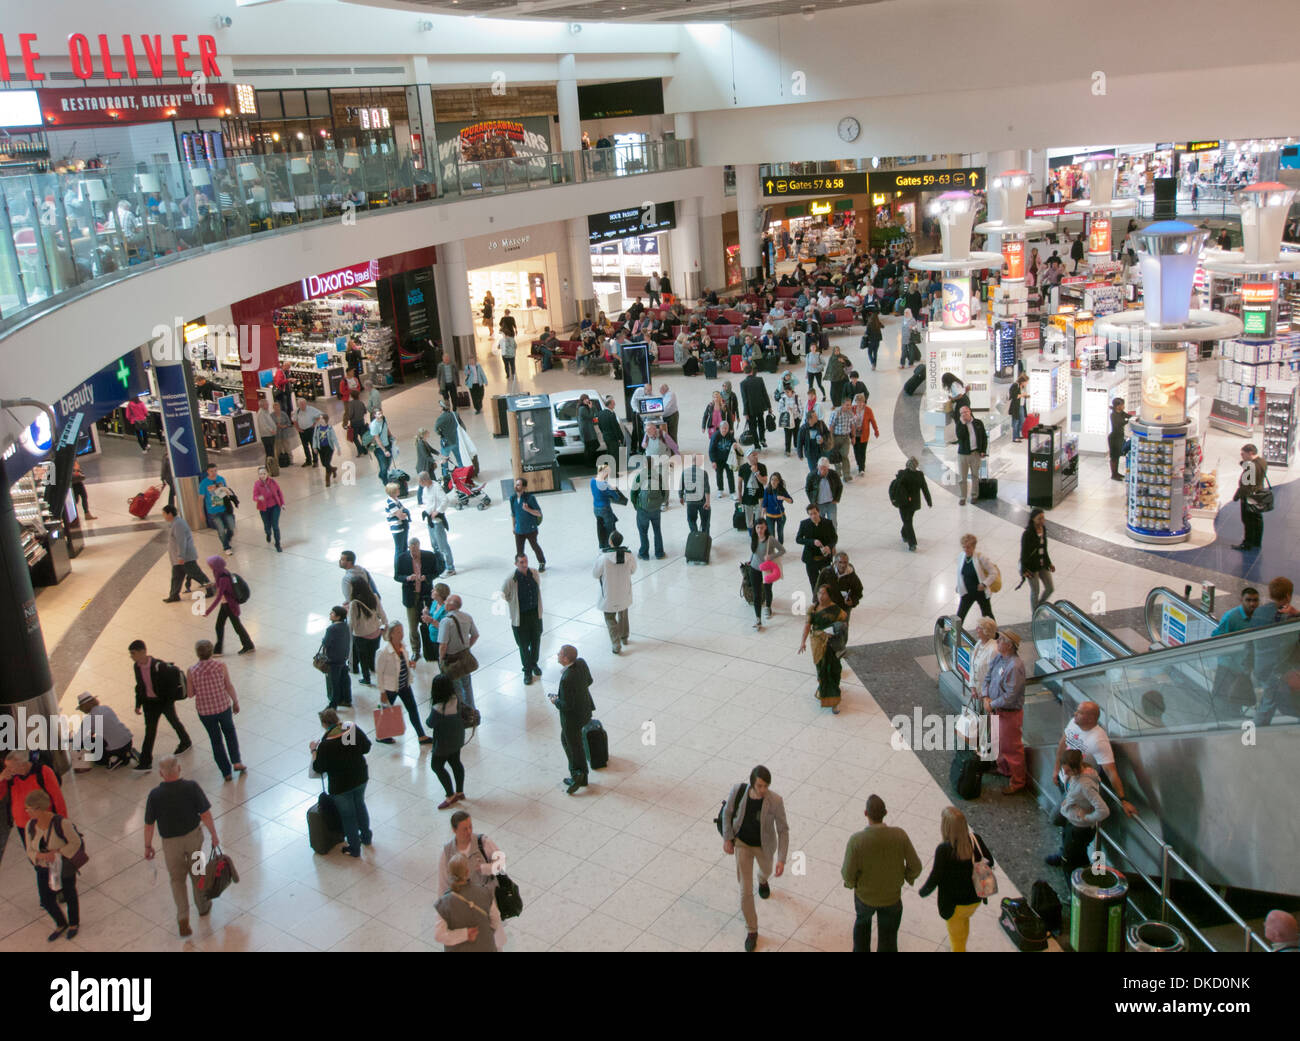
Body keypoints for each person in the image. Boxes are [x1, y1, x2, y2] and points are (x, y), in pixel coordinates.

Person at [143, 757, 220, 936]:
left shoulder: (155, 795)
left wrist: (147, 846)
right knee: (197, 872)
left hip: (170, 843)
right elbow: (205, 814)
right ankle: (203, 906)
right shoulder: (191, 787)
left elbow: (149, 824)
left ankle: (183, 917)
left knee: (177, 880)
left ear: (161, 773)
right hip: (193, 838)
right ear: (179, 768)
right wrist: (214, 835)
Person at [719, 766, 790, 953]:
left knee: (765, 870)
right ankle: (752, 930)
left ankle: (763, 880)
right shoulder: (738, 791)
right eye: (760, 785)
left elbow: (783, 830)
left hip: (763, 847)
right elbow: (727, 813)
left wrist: (781, 859)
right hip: (742, 844)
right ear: (752, 782)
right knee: (745, 891)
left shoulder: (775, 801)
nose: (763, 789)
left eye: (766, 786)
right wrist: (727, 838)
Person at [841, 794, 922, 952]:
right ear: (886, 813)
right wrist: (907, 877)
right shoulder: (900, 835)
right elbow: (916, 866)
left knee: (862, 926)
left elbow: (847, 874)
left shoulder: (856, 841)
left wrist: (852, 884)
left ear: (866, 813)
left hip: (865, 897)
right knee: (889, 938)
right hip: (892, 897)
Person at [917, 806, 996, 952]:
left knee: (956, 940)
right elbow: (990, 861)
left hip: (954, 905)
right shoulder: (975, 839)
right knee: (964, 923)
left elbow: (936, 876)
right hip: (975, 898)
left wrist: (923, 891)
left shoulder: (944, 850)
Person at [1052, 700, 1138, 816]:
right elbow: (1062, 744)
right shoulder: (1074, 723)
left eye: (1080, 712)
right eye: (1076, 710)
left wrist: (1123, 799)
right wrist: (1056, 769)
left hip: (1078, 785)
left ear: (1091, 719)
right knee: (1066, 815)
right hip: (1064, 778)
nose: (1075, 714)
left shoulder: (1099, 740)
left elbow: (1111, 771)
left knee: (1057, 817)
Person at [23, 789, 85, 942]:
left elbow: (75, 842)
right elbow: (29, 850)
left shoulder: (61, 823)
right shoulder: (30, 826)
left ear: (39, 809)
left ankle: (73, 924)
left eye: (29, 809)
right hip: (43, 868)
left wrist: (57, 852)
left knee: (69, 894)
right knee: (46, 899)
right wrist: (41, 856)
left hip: (63, 866)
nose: (27, 812)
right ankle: (60, 923)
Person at [310, 709, 372, 857]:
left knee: (348, 816)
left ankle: (354, 849)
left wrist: (313, 751)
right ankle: (366, 837)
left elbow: (318, 768)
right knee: (360, 806)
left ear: (324, 724)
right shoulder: (350, 729)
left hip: (341, 786)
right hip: (360, 777)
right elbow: (367, 747)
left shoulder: (325, 744)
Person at [186, 639, 246, 781]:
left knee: (216, 740)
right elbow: (228, 685)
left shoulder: (192, 671)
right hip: (223, 707)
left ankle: (226, 772)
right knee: (230, 734)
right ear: (211, 651)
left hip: (205, 712)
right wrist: (235, 701)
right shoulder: (220, 666)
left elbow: (190, 694)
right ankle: (236, 762)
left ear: (197, 653)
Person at [129, 639, 192, 770]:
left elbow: (171, 684)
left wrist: (168, 699)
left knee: (174, 721)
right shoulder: (137, 667)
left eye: (133, 653)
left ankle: (185, 741)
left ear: (143, 652)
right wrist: (138, 703)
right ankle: (145, 761)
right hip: (149, 704)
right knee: (150, 731)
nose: (132, 657)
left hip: (163, 702)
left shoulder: (159, 666)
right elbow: (140, 686)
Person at [1045, 748, 1109, 872]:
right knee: (1079, 856)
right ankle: (1085, 876)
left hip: (1078, 828)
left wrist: (1087, 817)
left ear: (1076, 768)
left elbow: (1103, 810)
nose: (1065, 773)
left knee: (1068, 864)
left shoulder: (1085, 785)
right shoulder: (1075, 776)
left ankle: (1073, 888)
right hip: (1072, 823)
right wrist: (1068, 801)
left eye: (1068, 770)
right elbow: (1075, 792)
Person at [981, 630, 1027, 795]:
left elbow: (1011, 695)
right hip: (995, 709)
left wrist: (991, 703)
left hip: (1009, 714)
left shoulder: (1015, 666)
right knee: (997, 744)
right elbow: (987, 678)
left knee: (1011, 748)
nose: (998, 641)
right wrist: (986, 696)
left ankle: (1018, 781)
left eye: (1001, 640)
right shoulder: (998, 658)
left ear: (1009, 645)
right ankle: (1003, 769)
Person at [375, 622, 432, 746]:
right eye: (398, 632)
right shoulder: (383, 652)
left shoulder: (402, 646)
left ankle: (421, 735)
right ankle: (381, 735)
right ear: (391, 634)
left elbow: (401, 662)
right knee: (385, 711)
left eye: (402, 631)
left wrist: (409, 663)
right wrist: (382, 692)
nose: (401, 634)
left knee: (412, 709)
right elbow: (379, 673)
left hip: (404, 685)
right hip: (390, 687)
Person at [548, 645, 595, 795]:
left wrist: (555, 701)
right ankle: (582, 775)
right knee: (572, 742)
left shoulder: (567, 678)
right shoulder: (581, 662)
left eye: (560, 654)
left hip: (572, 719)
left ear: (566, 658)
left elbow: (566, 705)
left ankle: (577, 775)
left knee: (572, 745)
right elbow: (589, 680)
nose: (557, 655)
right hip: (585, 711)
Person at [436, 853, 505, 951]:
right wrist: (486, 933)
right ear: (467, 872)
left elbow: (439, 935)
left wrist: (464, 935)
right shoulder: (484, 892)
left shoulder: (444, 903)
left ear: (449, 873)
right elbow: (496, 918)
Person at [800, 583, 849, 711]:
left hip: (831, 645)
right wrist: (802, 642)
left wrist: (836, 631)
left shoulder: (836, 610)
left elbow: (844, 622)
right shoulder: (813, 609)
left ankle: (834, 700)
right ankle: (825, 691)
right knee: (821, 669)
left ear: (829, 595)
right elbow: (807, 626)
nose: (821, 596)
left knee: (833, 669)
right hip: (817, 643)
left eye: (824, 593)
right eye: (819, 593)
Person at [437, 811, 502, 900]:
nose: (469, 831)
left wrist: (485, 868)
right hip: (463, 903)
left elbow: (501, 863)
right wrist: (443, 906)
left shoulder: (483, 842)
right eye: (464, 829)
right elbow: (443, 883)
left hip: (487, 898)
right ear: (454, 830)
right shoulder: (447, 852)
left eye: (470, 827)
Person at [501, 553, 545, 685]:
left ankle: (534, 663)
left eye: (525, 561)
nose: (524, 564)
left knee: (536, 640)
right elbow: (504, 594)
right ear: (516, 564)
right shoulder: (511, 579)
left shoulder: (534, 573)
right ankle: (527, 670)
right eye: (521, 562)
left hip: (534, 615)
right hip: (521, 617)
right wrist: (513, 602)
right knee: (523, 644)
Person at [426, 673, 467, 809]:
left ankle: (451, 795)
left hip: (444, 743)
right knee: (455, 762)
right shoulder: (455, 699)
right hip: (457, 738)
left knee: (436, 766)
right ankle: (460, 791)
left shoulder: (438, 708)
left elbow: (430, 723)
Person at [395, 537, 439, 662]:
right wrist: (408, 578)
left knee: (429, 622)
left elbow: (437, 571)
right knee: (413, 626)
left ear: (419, 546)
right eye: (411, 550)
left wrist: (426, 577)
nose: (414, 553)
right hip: (411, 596)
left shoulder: (429, 556)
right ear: (409, 548)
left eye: (416, 550)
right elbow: (397, 576)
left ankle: (431, 649)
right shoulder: (402, 558)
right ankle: (416, 650)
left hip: (425, 594)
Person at [593, 531, 636, 653]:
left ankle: (616, 643)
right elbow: (633, 570)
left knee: (610, 618)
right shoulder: (629, 556)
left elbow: (595, 574)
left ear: (610, 542)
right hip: (624, 591)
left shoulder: (603, 558)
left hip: (608, 593)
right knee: (623, 614)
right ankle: (624, 637)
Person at [438, 595, 481, 710]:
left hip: (452, 659)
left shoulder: (446, 622)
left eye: (447, 601)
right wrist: (467, 646)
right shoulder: (467, 617)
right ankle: (472, 711)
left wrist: (441, 659)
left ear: (452, 605)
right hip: (465, 656)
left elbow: (443, 645)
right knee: (467, 685)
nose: (445, 602)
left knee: (456, 688)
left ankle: (462, 714)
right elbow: (475, 635)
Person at [205, 554, 254, 655]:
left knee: (236, 627)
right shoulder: (219, 572)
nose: (209, 566)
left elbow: (219, 596)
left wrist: (208, 611)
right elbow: (219, 587)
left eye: (210, 564)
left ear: (215, 565)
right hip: (225, 604)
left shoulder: (223, 578)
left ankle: (248, 645)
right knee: (220, 626)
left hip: (230, 605)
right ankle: (218, 650)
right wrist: (213, 585)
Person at [161, 506, 212, 602]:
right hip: (178, 558)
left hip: (185, 558)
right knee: (176, 577)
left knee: (197, 574)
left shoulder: (178, 524)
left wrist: (181, 556)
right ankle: (174, 596)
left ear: (170, 514)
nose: (163, 516)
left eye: (164, 513)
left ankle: (210, 589)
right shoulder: (175, 523)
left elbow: (181, 541)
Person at [346, 570, 387, 687]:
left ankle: (366, 678)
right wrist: (385, 624)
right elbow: (381, 612)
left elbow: (351, 622)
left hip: (361, 635)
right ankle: (373, 667)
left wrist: (349, 636)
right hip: (376, 632)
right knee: (372, 652)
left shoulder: (354, 603)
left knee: (362, 657)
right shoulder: (373, 596)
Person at [75, 692, 134, 768]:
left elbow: (79, 739)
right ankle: (126, 753)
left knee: (97, 759)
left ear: (84, 707)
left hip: (115, 749)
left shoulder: (88, 720)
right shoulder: (106, 708)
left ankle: (116, 758)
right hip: (128, 741)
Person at [745, 519, 786, 630]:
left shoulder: (770, 539)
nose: (760, 530)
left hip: (767, 569)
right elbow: (753, 551)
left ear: (766, 527)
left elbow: (782, 550)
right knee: (756, 594)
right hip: (754, 568)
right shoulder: (753, 538)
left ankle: (768, 606)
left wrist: (771, 557)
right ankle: (758, 619)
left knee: (767, 589)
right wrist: (750, 560)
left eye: (762, 528)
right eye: (758, 528)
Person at [1232, 443, 1268, 551]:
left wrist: (1237, 496)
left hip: (1249, 497)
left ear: (1250, 453)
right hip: (1259, 494)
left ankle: (1247, 543)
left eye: (1243, 454)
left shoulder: (1251, 468)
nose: (1242, 456)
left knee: (1248, 520)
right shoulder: (1262, 462)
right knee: (1257, 519)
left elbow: (1246, 486)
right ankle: (1257, 541)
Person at [419, 474, 457, 576]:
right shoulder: (425, 489)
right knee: (434, 544)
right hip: (430, 520)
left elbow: (445, 500)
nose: (420, 484)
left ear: (425, 480)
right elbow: (425, 501)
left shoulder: (436, 488)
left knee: (442, 545)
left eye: (420, 482)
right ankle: (440, 565)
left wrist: (438, 511)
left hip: (438, 521)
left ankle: (450, 568)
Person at [954, 533, 996, 626]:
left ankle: (994, 636)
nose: (966, 550)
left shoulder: (981, 558)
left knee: (987, 616)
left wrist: (984, 584)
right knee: (960, 616)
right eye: (964, 547)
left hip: (980, 592)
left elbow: (993, 573)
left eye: (968, 547)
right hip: (967, 592)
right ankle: (954, 638)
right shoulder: (961, 556)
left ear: (974, 546)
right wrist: (959, 585)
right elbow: (961, 574)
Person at [631, 460, 668, 560]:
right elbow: (665, 492)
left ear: (644, 465)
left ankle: (644, 554)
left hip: (643, 509)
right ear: (653, 465)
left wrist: (636, 505)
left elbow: (633, 493)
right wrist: (660, 503)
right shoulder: (658, 476)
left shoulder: (640, 476)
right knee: (657, 530)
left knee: (643, 531)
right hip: (656, 509)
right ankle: (659, 553)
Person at [796, 503, 837, 592]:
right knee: (814, 583)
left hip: (824, 559)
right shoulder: (804, 524)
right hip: (811, 560)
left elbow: (834, 538)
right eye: (811, 514)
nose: (813, 516)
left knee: (826, 582)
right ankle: (816, 602)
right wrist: (812, 542)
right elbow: (798, 539)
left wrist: (829, 547)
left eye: (815, 513)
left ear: (818, 512)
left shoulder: (827, 523)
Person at [1020, 508, 1055, 611]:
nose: (1042, 521)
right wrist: (1024, 570)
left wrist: (1049, 563)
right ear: (1033, 519)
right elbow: (1024, 553)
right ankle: (1035, 613)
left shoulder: (1043, 529)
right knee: (1035, 591)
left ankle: (1039, 607)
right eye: (1039, 519)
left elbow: (1044, 548)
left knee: (1050, 588)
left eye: (1043, 518)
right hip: (1031, 567)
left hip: (1042, 564)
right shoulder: (1027, 534)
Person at [894, 457, 932, 552]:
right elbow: (925, 489)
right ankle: (904, 534)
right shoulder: (919, 475)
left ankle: (912, 543)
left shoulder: (902, 474)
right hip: (914, 504)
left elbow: (897, 487)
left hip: (904, 503)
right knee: (908, 520)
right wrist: (929, 501)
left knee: (907, 521)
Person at [509, 479, 547, 570]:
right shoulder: (512, 498)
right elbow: (513, 513)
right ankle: (520, 565)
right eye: (516, 484)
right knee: (519, 550)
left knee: (535, 547)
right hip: (519, 529)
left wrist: (528, 509)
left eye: (518, 485)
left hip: (531, 529)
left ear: (524, 487)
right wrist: (513, 526)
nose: (516, 486)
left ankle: (542, 562)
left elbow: (539, 513)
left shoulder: (530, 498)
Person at [198, 462, 236, 552]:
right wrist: (201, 513)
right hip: (213, 511)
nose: (214, 473)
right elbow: (200, 499)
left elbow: (226, 490)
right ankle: (226, 547)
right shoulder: (204, 483)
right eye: (211, 471)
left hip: (225, 508)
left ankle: (227, 539)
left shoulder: (221, 479)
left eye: (215, 470)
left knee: (231, 527)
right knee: (221, 530)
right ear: (207, 471)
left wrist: (228, 493)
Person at [953, 405, 987, 506]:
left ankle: (974, 495)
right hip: (963, 455)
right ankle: (963, 497)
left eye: (966, 412)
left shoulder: (978, 423)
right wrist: (963, 423)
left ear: (970, 411)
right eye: (962, 413)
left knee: (975, 476)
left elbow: (984, 437)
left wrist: (983, 450)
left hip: (975, 454)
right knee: (962, 478)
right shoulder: (959, 424)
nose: (964, 414)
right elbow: (960, 436)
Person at [815, 552, 864, 620]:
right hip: (828, 607)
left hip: (843, 609)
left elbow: (858, 591)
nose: (843, 565)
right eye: (840, 562)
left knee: (841, 629)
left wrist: (852, 601)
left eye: (845, 562)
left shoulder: (852, 576)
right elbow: (817, 589)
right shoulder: (826, 572)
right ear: (835, 563)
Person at [321, 605, 353, 710]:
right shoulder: (346, 626)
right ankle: (347, 699)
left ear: (338, 617)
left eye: (332, 613)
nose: (330, 614)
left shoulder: (331, 628)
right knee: (345, 678)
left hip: (333, 660)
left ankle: (333, 704)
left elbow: (326, 642)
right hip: (343, 657)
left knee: (334, 682)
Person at [590, 463, 624, 550]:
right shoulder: (605, 485)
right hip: (605, 509)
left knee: (600, 528)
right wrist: (613, 489)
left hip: (596, 509)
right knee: (610, 529)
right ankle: (610, 547)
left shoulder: (592, 481)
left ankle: (601, 545)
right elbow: (616, 497)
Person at [252, 465, 285, 552]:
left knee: (275, 526)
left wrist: (282, 504)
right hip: (264, 509)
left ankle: (277, 543)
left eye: (264, 473)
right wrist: (259, 498)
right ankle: (268, 533)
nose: (262, 475)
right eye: (260, 474)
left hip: (275, 507)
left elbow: (279, 493)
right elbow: (254, 497)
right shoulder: (257, 484)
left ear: (267, 473)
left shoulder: (273, 482)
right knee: (267, 525)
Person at [738, 363, 772, 448]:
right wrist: (769, 406)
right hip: (760, 406)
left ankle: (756, 445)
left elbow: (744, 399)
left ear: (744, 372)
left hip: (750, 409)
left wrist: (745, 412)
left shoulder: (743, 383)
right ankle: (762, 439)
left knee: (753, 427)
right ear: (752, 371)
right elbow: (765, 394)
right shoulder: (759, 380)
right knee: (761, 423)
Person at [804, 457, 843, 526]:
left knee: (833, 523)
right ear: (818, 467)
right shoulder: (811, 476)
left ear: (828, 467)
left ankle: (833, 536)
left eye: (825, 469)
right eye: (821, 468)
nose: (823, 471)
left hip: (831, 503)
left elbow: (840, 486)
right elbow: (808, 489)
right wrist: (813, 502)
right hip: (818, 505)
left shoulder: (833, 474)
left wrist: (837, 499)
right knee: (819, 524)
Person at [848, 393, 879, 476]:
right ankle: (859, 463)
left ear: (864, 402)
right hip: (854, 434)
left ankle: (862, 468)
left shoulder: (868, 410)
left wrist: (876, 430)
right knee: (856, 450)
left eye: (861, 401)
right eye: (858, 402)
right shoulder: (852, 409)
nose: (860, 403)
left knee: (862, 451)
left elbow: (872, 421)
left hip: (864, 434)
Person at [680, 456, 711, 536]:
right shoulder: (703, 473)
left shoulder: (684, 472)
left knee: (691, 520)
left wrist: (681, 497)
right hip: (702, 501)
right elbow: (707, 488)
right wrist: (707, 502)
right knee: (705, 521)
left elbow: (681, 487)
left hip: (690, 502)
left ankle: (695, 536)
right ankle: (704, 539)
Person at [762, 471, 794, 543]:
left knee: (780, 533)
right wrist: (762, 516)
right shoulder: (767, 490)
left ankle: (780, 549)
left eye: (775, 480)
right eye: (772, 479)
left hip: (780, 516)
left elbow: (791, 501)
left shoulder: (782, 490)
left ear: (779, 481)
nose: (773, 481)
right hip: (770, 516)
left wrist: (784, 498)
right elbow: (764, 504)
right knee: (771, 534)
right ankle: (772, 550)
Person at [709, 420, 737, 498]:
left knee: (730, 475)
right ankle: (720, 490)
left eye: (726, 428)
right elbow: (711, 450)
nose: (724, 430)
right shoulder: (715, 436)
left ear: (728, 429)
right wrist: (713, 461)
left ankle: (732, 492)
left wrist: (735, 444)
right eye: (723, 428)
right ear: (720, 428)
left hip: (728, 460)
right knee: (719, 475)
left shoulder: (729, 435)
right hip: (718, 460)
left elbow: (734, 442)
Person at [369, 410, 396, 485]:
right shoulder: (374, 425)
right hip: (379, 449)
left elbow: (386, 428)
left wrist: (391, 436)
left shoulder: (383, 419)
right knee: (383, 466)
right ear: (375, 415)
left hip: (387, 444)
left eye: (381, 413)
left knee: (388, 463)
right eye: (379, 414)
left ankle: (381, 474)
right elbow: (377, 438)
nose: (381, 415)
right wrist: (384, 450)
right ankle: (385, 482)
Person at [294, 400, 324, 466]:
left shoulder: (311, 409)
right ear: (299, 405)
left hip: (310, 430)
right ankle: (308, 460)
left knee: (313, 445)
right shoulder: (297, 411)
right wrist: (298, 429)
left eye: (304, 404)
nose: (303, 406)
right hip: (302, 431)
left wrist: (314, 423)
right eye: (301, 404)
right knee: (305, 446)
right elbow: (294, 420)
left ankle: (315, 461)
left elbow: (320, 415)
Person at [314, 413, 340, 487]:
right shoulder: (317, 428)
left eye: (321, 418)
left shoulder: (330, 428)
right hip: (321, 448)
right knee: (324, 463)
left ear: (325, 420)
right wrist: (314, 447)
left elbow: (334, 438)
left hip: (329, 447)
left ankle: (327, 479)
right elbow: (315, 437)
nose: (319, 419)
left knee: (326, 462)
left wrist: (338, 448)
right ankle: (333, 469)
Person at [435, 402, 462, 469]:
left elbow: (436, 429)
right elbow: (460, 425)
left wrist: (440, 433)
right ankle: (463, 471)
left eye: (439, 406)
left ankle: (445, 475)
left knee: (445, 460)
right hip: (456, 440)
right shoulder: (455, 414)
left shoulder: (441, 418)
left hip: (446, 442)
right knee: (459, 458)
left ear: (442, 408)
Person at [1107, 397, 1129, 481]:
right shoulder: (1113, 415)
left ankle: (1116, 473)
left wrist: (1132, 418)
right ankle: (1113, 474)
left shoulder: (1121, 413)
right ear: (1117, 406)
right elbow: (1119, 424)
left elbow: (1127, 416)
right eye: (1122, 404)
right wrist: (1127, 421)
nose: (1123, 406)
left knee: (1117, 456)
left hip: (1119, 437)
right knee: (1114, 457)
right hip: (1114, 438)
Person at [1010, 373, 1029, 443]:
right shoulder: (1015, 385)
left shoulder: (1022, 387)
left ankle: (1017, 435)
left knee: (1022, 421)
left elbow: (1021, 395)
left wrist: (1025, 396)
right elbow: (1013, 396)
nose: (1027, 383)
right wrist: (1022, 395)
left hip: (1021, 406)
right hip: (1016, 407)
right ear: (1022, 381)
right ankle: (1015, 437)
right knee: (1016, 421)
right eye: (1026, 382)